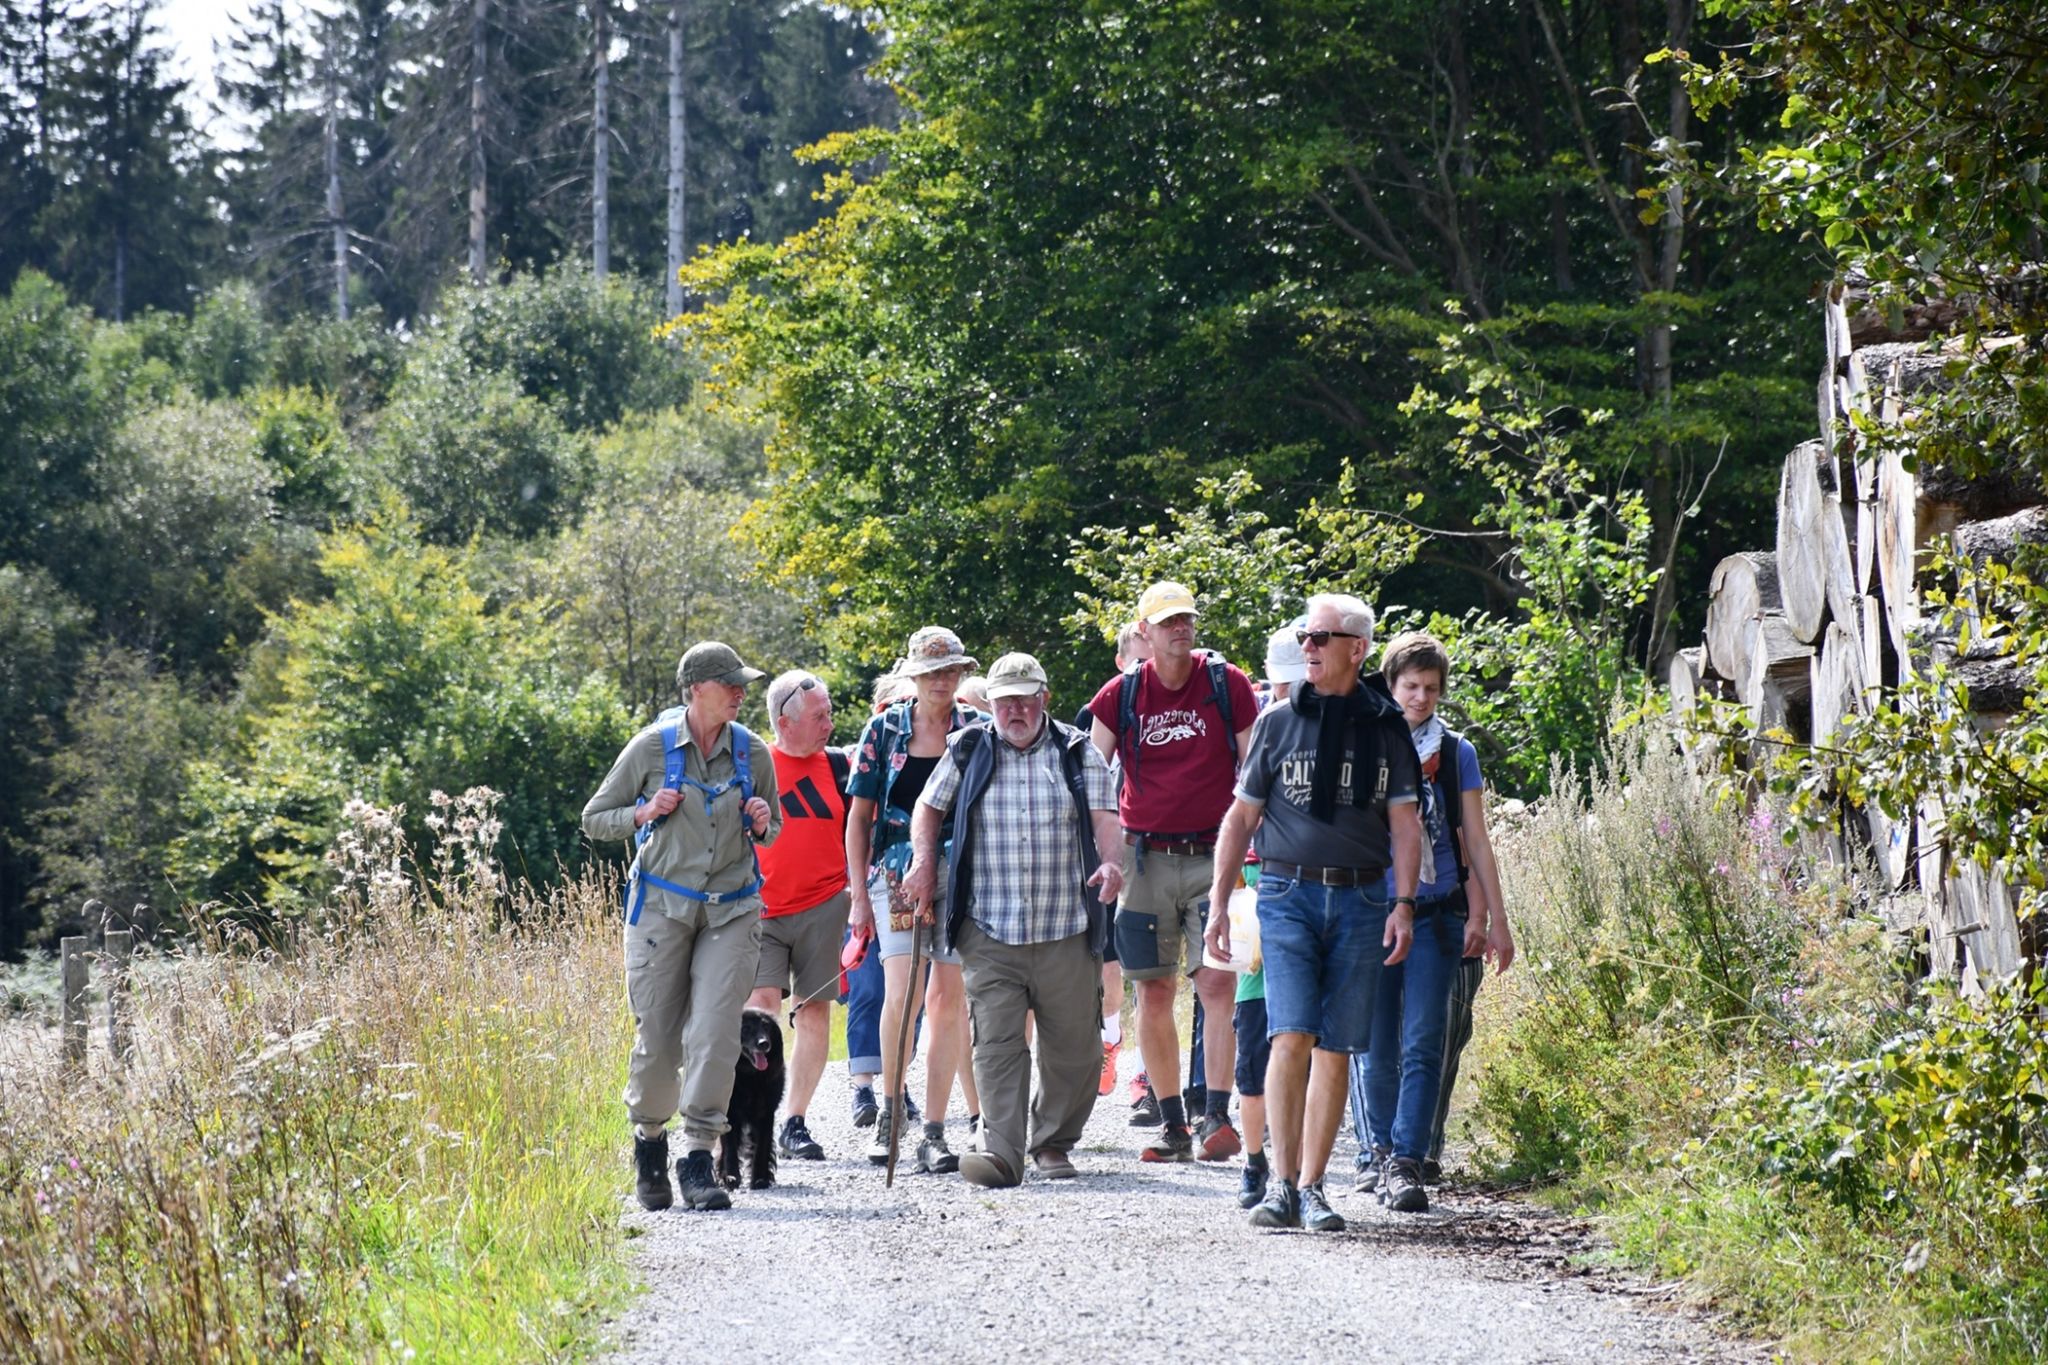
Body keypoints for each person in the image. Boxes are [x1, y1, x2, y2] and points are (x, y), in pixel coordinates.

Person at [1204, 594, 1423, 1231]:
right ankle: (1280, 1186)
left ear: (1357, 649)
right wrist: (1218, 902)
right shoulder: (1277, 721)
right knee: (1290, 1034)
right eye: (1305, 636)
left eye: (1321, 637)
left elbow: (1406, 825)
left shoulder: (1386, 726)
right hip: (1286, 893)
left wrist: (1404, 905)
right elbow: (1241, 816)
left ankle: (1314, 1186)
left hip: (1362, 897)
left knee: (1335, 1048)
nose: (1308, 647)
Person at [903, 652, 1124, 1187]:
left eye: (1026, 700)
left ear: (1044, 699)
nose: (1015, 711)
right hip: (989, 928)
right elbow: (928, 808)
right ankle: (1002, 1153)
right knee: (997, 1045)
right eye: (1005, 702)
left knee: (1075, 1049)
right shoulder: (968, 748)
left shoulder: (1077, 750)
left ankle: (1052, 1142)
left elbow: (1106, 818)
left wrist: (1113, 862)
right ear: (992, 705)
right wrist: (924, 861)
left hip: (1066, 926)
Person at [584, 641, 781, 1213]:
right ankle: (650, 1143)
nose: (740, 692)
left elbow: (772, 827)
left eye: (743, 684)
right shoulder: (651, 748)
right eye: (729, 683)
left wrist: (763, 821)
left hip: (732, 910)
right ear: (696, 689)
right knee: (659, 1039)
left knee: (716, 1034)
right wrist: (644, 812)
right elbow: (595, 819)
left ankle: (698, 1157)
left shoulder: (753, 752)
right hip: (662, 911)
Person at [1090, 581, 1257, 1163]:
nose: (1180, 628)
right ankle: (1172, 1125)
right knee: (1153, 989)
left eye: (1186, 618)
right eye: (1167, 622)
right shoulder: (1121, 694)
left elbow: (1254, 767)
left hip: (1217, 856)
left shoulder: (1226, 684)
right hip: (1144, 859)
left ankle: (1217, 1115)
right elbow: (1092, 777)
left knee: (1217, 983)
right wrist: (1104, 854)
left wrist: (1254, 846)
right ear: (1145, 631)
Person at [1350, 632, 1513, 1212]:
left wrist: (1491, 916)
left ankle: (1407, 1160)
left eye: (1432, 688)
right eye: (1411, 686)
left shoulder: (1456, 753)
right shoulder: (1364, 745)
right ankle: (1376, 1151)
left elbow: (1475, 839)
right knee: (1374, 1045)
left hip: (1438, 912)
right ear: (1390, 685)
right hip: (1373, 912)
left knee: (1423, 1041)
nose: (1421, 697)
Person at [846, 626, 985, 1174]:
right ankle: (890, 1111)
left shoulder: (975, 730)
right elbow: (859, 819)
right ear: (914, 678)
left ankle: (934, 1129)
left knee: (948, 998)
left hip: (961, 872)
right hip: (896, 871)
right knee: (902, 991)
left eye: (949, 671)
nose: (941, 681)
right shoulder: (883, 730)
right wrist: (859, 897)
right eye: (931, 673)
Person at [745, 670, 852, 1162]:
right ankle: (755, 1118)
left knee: (813, 1011)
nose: (829, 724)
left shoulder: (840, 766)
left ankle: (795, 1122)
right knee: (760, 1010)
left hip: (824, 907)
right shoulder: (754, 766)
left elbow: (862, 829)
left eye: (829, 714)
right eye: (819, 716)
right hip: (762, 910)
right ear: (785, 722)